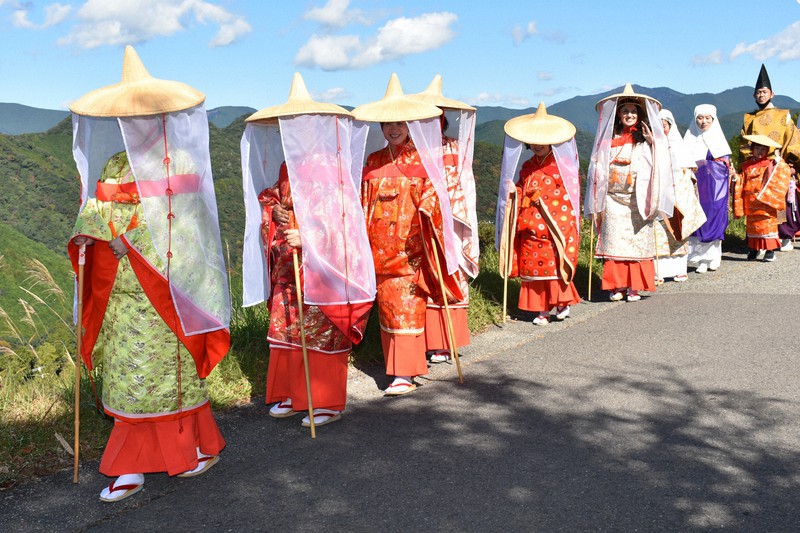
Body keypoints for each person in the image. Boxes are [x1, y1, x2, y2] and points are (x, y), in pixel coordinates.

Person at [68, 47, 231, 502]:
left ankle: (182, 452)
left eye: (144, 116)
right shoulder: (117, 165)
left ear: (158, 115)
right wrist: (87, 236)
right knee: (127, 376)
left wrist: (132, 243)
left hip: (167, 289)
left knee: (164, 376)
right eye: (130, 117)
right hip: (122, 291)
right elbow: (98, 208)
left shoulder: (180, 163)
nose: (137, 124)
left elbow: (185, 222)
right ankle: (134, 465)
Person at [241, 74, 375, 427]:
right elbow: (272, 196)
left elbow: (343, 220)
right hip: (289, 265)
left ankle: (326, 400)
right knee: (288, 328)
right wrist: (275, 210)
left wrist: (311, 239)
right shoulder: (289, 167)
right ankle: (293, 393)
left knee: (321, 328)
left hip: (322, 266)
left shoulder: (333, 170)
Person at [354, 74, 461, 395]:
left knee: (406, 308)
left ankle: (404, 373)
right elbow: (362, 202)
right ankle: (396, 368)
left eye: (400, 123)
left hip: (410, 248)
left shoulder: (424, 160)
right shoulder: (373, 161)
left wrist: (429, 210)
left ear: (412, 124)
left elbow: (436, 197)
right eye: (388, 124)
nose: (394, 129)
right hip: (377, 249)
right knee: (388, 309)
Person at [410, 75, 479, 361]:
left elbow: (466, 184)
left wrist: (457, 215)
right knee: (423, 277)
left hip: (449, 220)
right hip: (417, 222)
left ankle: (446, 340)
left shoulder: (454, 147)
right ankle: (426, 339)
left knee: (449, 273)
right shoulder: (411, 149)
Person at [585, 84, 674, 302]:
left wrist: (653, 144)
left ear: (640, 115)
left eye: (633, 112)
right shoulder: (608, 141)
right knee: (614, 240)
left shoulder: (646, 141)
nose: (629, 115)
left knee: (636, 243)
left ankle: (635, 286)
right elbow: (597, 165)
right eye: (625, 111)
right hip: (613, 199)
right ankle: (617, 285)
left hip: (637, 199)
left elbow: (661, 163)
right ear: (618, 115)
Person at [496, 102, 581, 325]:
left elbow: (567, 196)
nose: (537, 145)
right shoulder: (527, 167)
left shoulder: (562, 167)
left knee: (554, 268)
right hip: (529, 227)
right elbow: (521, 188)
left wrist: (543, 204)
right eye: (533, 140)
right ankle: (541, 310)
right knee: (533, 271)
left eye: (542, 140)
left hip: (553, 228)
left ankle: (561, 302)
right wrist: (514, 192)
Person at [739, 64, 800, 252]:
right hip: (757, 166)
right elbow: (744, 143)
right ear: (754, 96)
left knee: (781, 201)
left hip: (778, 162)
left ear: (772, 94)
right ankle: (758, 240)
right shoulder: (749, 118)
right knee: (758, 203)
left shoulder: (783, 115)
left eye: (764, 92)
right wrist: (748, 163)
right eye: (758, 92)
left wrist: (790, 162)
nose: (761, 95)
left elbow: (793, 138)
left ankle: (785, 235)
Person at [654, 109, 707, 283]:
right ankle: (658, 272)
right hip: (659, 194)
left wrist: (683, 177)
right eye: (658, 126)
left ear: (670, 125)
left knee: (677, 228)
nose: (662, 129)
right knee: (660, 232)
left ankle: (679, 269)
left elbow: (689, 171)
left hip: (678, 193)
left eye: (665, 126)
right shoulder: (651, 146)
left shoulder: (678, 145)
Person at [683, 104, 735, 273]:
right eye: (700, 118)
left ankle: (713, 256)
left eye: (707, 118)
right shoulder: (689, 139)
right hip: (696, 188)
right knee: (697, 220)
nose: (703, 121)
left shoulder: (718, 140)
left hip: (715, 189)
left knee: (713, 219)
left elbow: (724, 166)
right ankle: (700, 260)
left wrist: (706, 165)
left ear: (713, 119)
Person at [733, 134, 793, 261]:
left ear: (767, 151)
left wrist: (778, 161)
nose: (760, 151)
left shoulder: (771, 164)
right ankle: (754, 249)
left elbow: (783, 172)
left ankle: (770, 251)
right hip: (751, 201)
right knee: (753, 227)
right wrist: (734, 177)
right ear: (752, 150)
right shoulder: (746, 166)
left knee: (767, 226)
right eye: (757, 148)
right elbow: (741, 180)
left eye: (763, 149)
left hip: (766, 200)